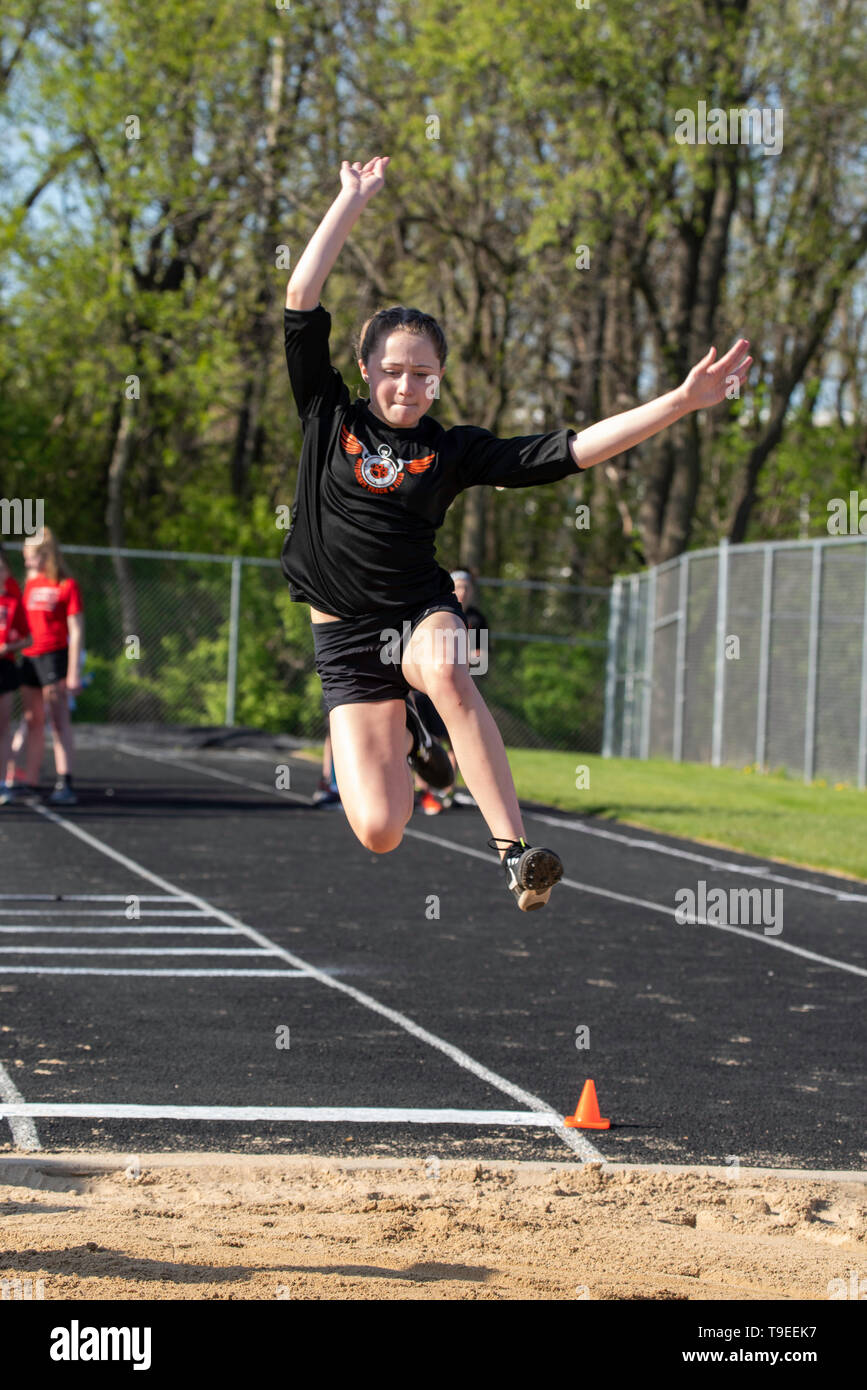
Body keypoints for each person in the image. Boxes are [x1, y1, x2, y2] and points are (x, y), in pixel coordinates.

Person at [280, 155, 751, 910]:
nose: (407, 386)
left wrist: (677, 403)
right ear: (367, 368)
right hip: (342, 636)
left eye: (423, 374)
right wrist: (350, 201)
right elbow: (301, 297)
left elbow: (570, 451)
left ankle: (514, 851)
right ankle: (411, 739)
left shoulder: (454, 448)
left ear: (439, 378)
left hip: (416, 611)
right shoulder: (326, 413)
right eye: (394, 370)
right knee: (379, 828)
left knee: (445, 671)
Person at [10, 528, 83, 806]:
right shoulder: (30, 583)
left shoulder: (66, 585)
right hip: (29, 657)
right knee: (33, 721)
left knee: (59, 722)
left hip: (54, 657)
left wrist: (73, 671)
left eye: (30, 556)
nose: (27, 562)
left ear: (45, 555)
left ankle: (65, 781)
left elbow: (76, 631)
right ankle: (30, 781)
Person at [413, 567, 487, 814]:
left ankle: (446, 790)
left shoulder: (475, 620)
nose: (462, 592)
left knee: (456, 740)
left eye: (467, 587)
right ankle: (423, 789)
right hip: (428, 687)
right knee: (427, 739)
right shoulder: (434, 611)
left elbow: (481, 657)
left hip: (460, 688)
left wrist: (457, 657)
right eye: (458, 586)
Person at [0, 545, 31, 806]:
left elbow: (27, 637)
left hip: (5, 668)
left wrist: (9, 647)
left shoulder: (12, 603)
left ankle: (2, 782)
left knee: (3, 729)